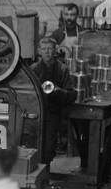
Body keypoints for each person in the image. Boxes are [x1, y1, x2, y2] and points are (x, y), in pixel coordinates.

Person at [28, 36, 75, 167]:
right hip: (36, 114)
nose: (47, 52)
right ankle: (34, 175)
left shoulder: (62, 69)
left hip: (53, 114)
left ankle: (45, 177)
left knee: (48, 148)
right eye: (44, 49)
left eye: (50, 49)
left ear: (55, 51)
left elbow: (72, 94)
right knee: (33, 147)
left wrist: (58, 90)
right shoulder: (33, 69)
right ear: (39, 51)